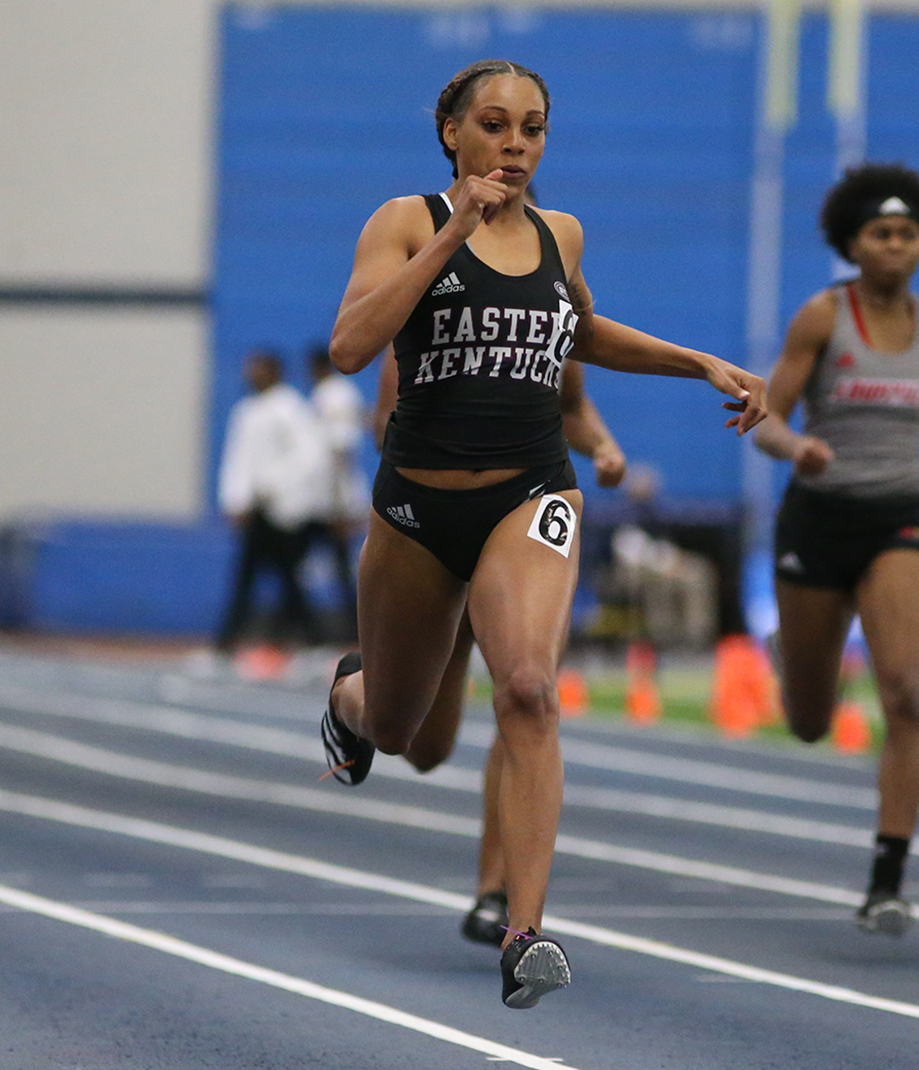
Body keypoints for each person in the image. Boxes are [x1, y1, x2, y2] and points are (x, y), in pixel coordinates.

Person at [319, 58, 764, 1008]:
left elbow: (581, 334)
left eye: (532, 128)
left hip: (530, 492)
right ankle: (349, 698)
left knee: (527, 687)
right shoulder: (404, 221)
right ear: (452, 133)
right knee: (398, 729)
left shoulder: (562, 235)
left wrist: (698, 362)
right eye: (494, 124)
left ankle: (524, 933)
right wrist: (455, 234)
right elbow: (351, 345)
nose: (514, 145)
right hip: (417, 506)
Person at [752, 163, 919, 937]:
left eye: (908, 234)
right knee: (809, 722)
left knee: (907, 693)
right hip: (818, 519)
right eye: (881, 233)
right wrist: (796, 447)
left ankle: (887, 880)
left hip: (898, 518)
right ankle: (791, 657)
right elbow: (764, 417)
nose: (896, 246)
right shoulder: (821, 318)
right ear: (852, 243)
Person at [372, 352, 625, 950]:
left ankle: (501, 899)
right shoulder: (422, 310)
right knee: (420, 745)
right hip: (434, 524)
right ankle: (356, 693)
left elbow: (570, 405)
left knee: (525, 695)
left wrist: (604, 446)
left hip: (521, 524)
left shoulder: (554, 307)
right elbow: (384, 419)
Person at [215, 349, 332, 651]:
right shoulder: (246, 410)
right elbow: (239, 460)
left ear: (274, 371)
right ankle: (226, 644)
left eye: (257, 367)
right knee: (250, 578)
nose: (250, 373)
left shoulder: (290, 408)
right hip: (257, 511)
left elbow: (310, 456)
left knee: (287, 579)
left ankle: (312, 641)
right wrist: (236, 500)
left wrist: (273, 486)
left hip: (284, 512)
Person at [307, 345, 366, 638]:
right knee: (336, 565)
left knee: (342, 566)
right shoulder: (332, 393)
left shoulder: (335, 395)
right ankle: (347, 628)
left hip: (334, 498)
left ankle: (354, 628)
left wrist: (342, 505)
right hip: (325, 495)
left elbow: (342, 451)